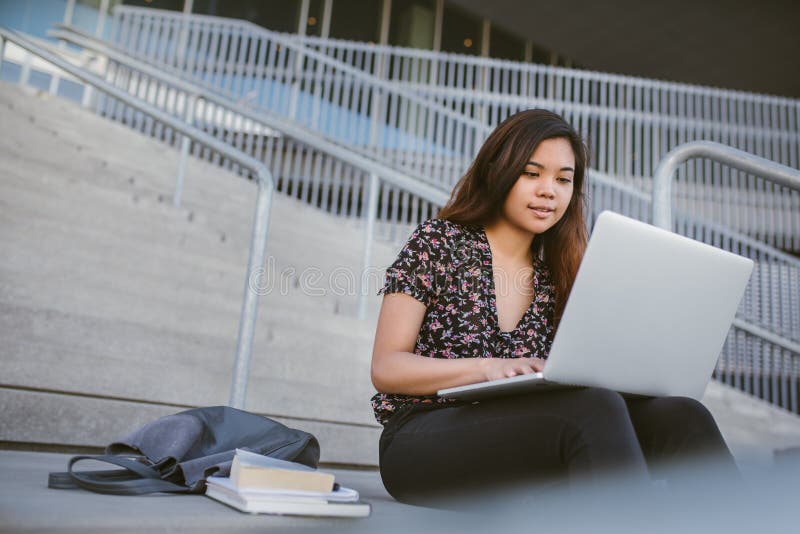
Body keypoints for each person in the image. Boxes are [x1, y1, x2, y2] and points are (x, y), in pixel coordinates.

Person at [370, 109, 739, 506]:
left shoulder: (561, 274)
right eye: (532, 174)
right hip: (421, 440)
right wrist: (487, 369)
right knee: (591, 410)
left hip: (528, 437)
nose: (549, 190)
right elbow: (387, 368)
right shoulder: (438, 242)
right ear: (499, 171)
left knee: (682, 415)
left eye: (564, 179)